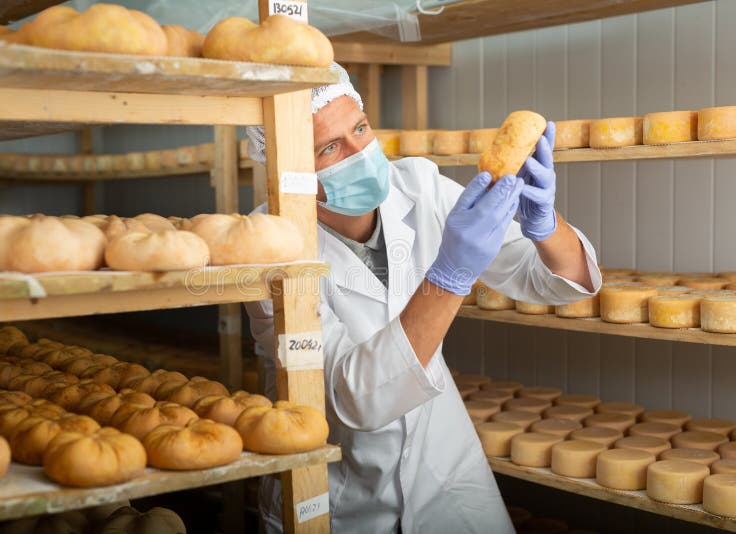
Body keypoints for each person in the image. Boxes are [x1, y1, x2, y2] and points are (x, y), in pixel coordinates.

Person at [244, 63, 601, 534]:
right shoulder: (266, 245)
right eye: (330, 147)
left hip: (445, 475)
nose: (360, 152)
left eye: (360, 128)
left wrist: (545, 225)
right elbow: (355, 397)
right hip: (344, 496)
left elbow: (557, 282)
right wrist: (449, 277)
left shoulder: (418, 185)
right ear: (289, 168)